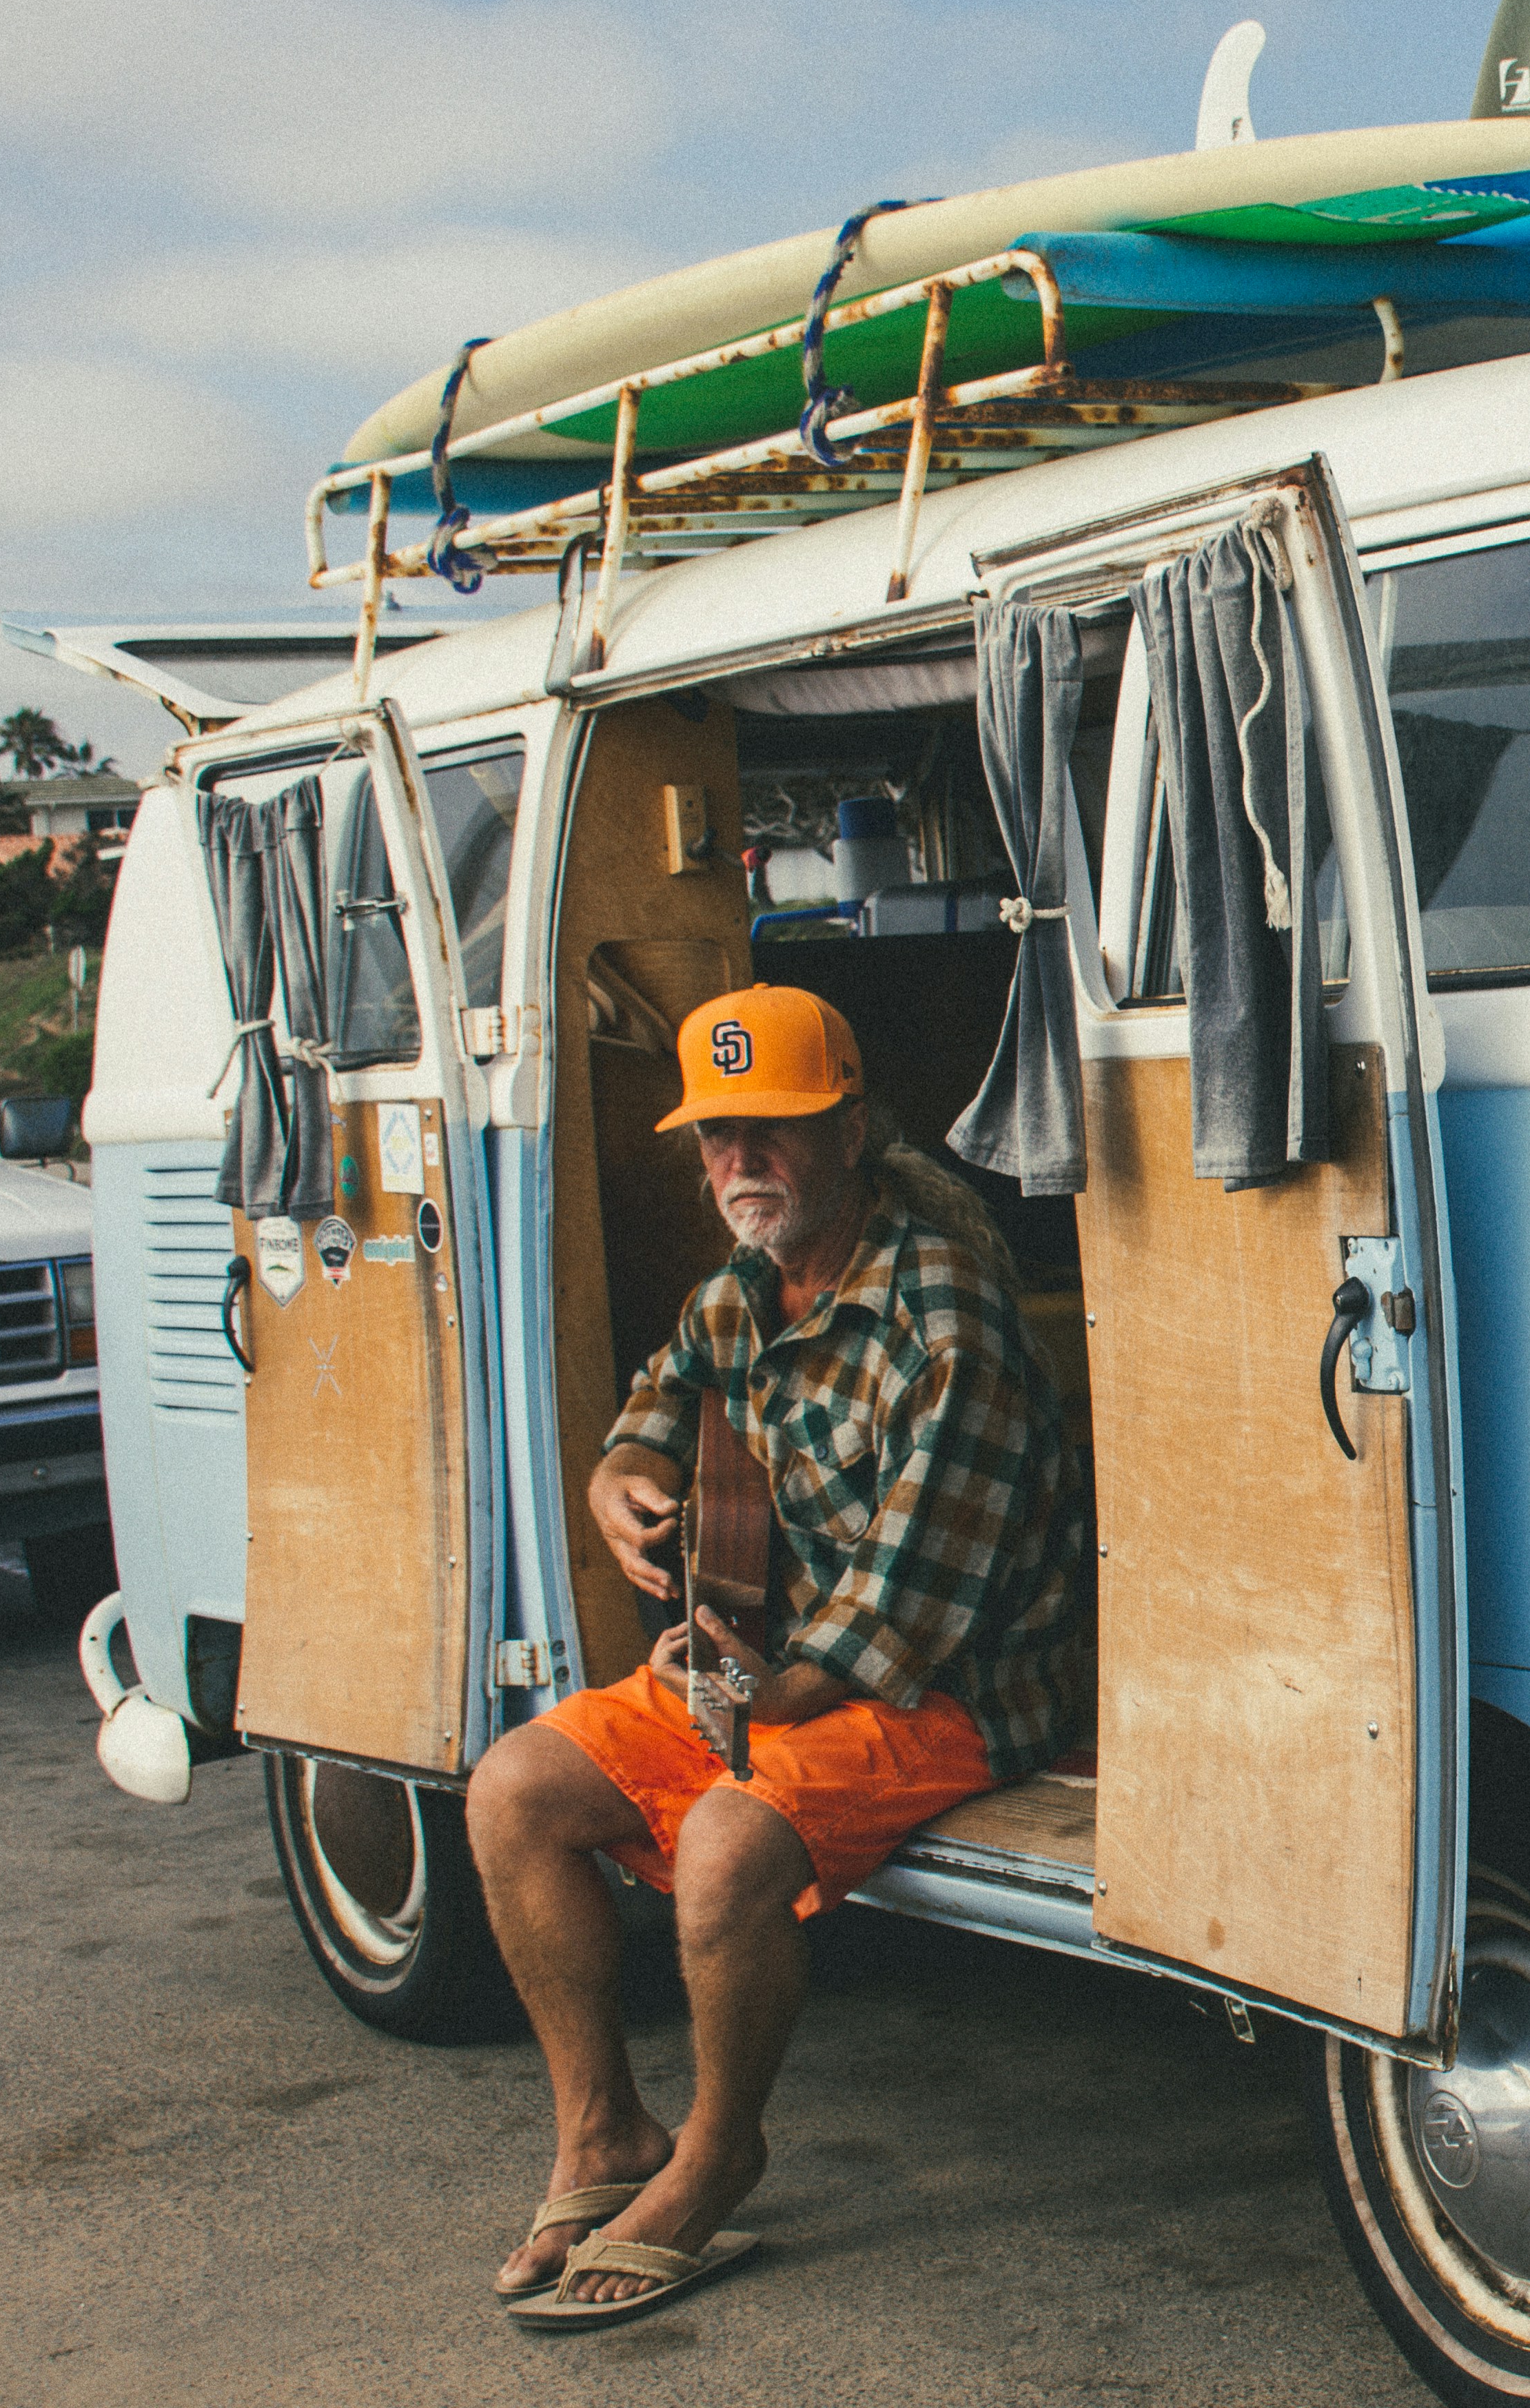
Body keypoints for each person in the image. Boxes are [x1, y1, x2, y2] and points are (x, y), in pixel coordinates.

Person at [467, 983, 1087, 2329]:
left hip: (955, 1686)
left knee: (726, 1844)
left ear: (854, 1130)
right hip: (777, 1663)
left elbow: (902, 1612)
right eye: (715, 1136)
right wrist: (621, 1469)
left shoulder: (946, 1316)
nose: (739, 1164)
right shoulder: (744, 1289)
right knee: (512, 1790)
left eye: (777, 1132)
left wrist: (737, 1703)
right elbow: (660, 1396)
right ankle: (601, 2138)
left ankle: (714, 2151)